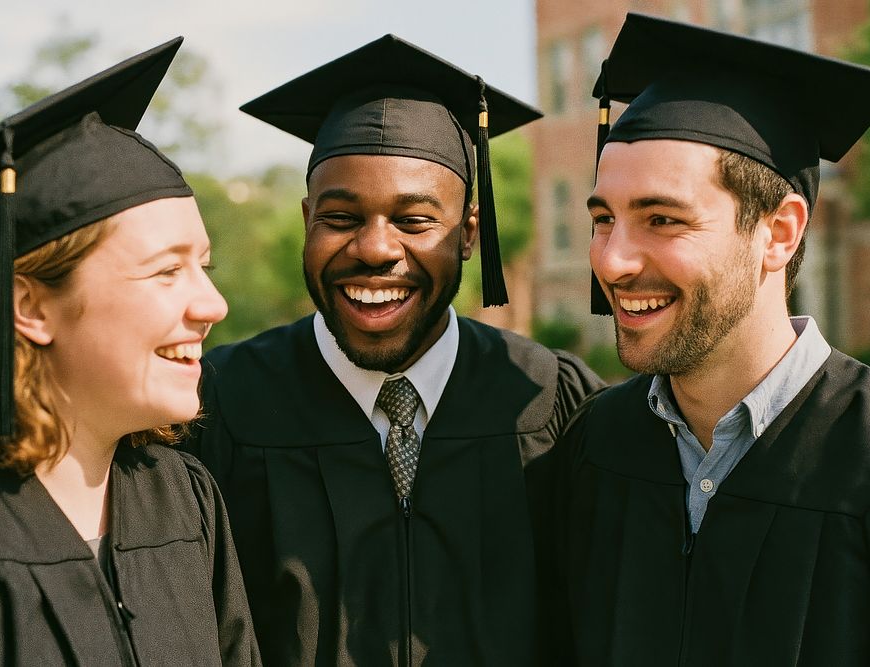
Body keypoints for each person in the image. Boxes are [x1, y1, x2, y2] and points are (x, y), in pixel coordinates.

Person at [183, 35, 603, 665]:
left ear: (467, 235)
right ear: (307, 222)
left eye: (414, 221)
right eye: (341, 218)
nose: (375, 249)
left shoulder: (549, 400)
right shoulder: (219, 404)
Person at [550, 13, 870, 666]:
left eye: (662, 218)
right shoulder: (595, 442)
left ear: (779, 232)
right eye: (604, 218)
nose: (614, 260)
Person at [0, 39, 260, 666]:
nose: (213, 305)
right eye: (166, 272)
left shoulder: (183, 497)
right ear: (31, 308)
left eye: (203, 265)